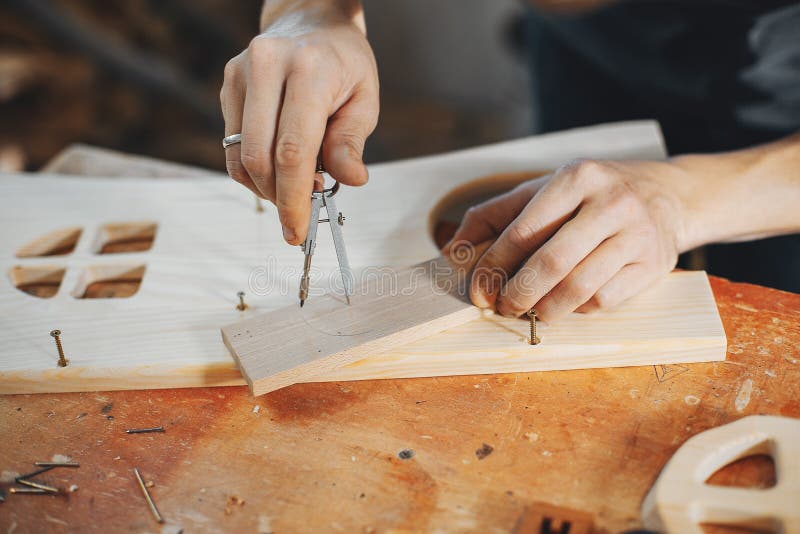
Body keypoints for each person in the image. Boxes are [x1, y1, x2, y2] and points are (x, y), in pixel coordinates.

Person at [220, 0, 800, 324]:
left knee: (761, 326)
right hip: (591, 55)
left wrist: (682, 201)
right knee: (568, 246)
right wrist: (313, 13)